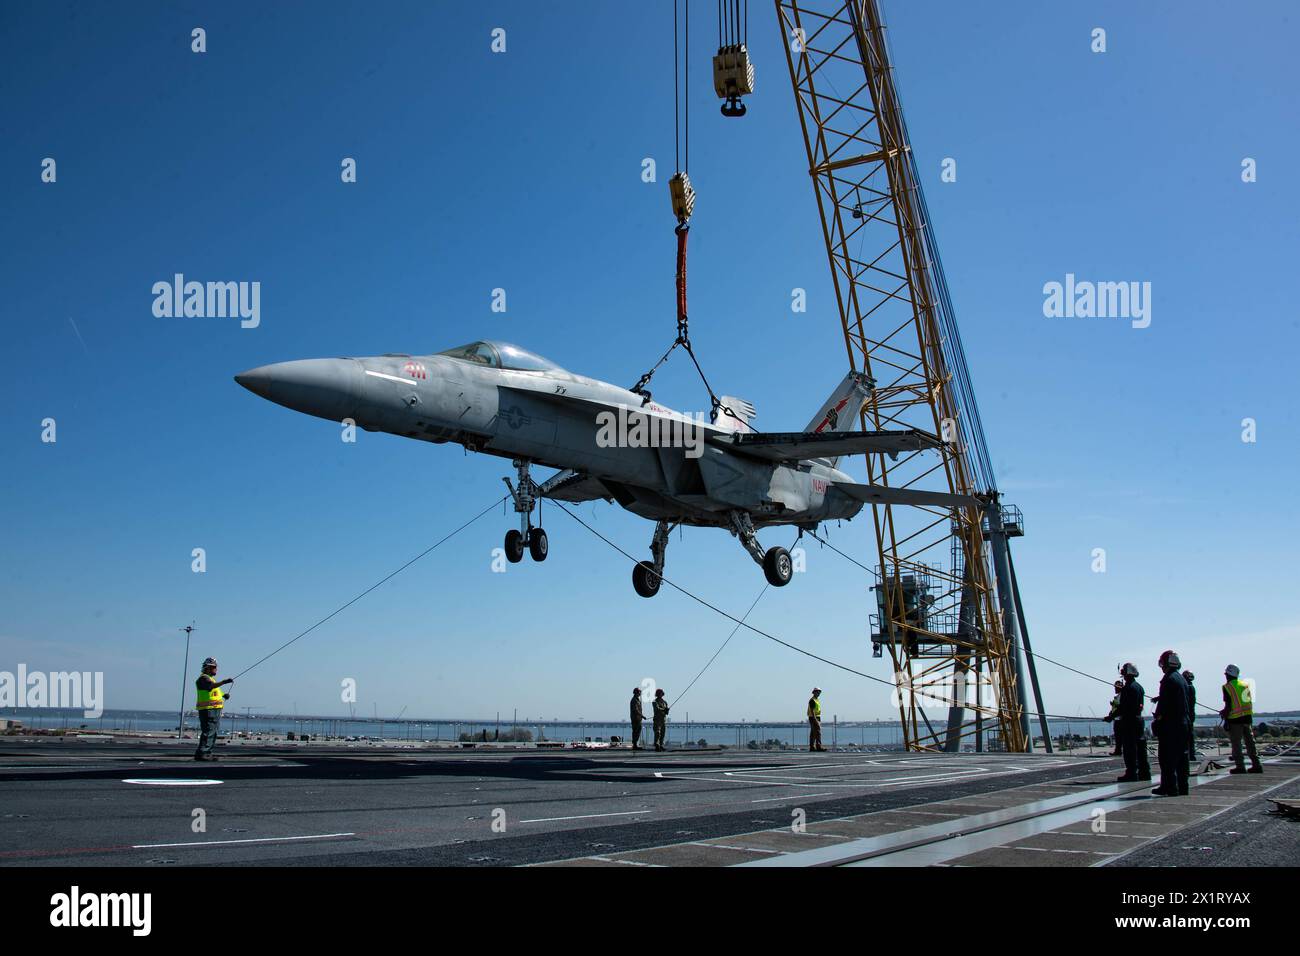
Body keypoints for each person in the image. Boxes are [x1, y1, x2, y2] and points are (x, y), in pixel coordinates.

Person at [1151, 650, 1191, 796]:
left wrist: (1157, 720)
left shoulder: (1167, 679)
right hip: (1184, 723)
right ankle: (1183, 787)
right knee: (1182, 757)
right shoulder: (1181, 679)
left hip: (1171, 725)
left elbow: (1164, 706)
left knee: (1167, 758)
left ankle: (1169, 787)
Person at [1220, 664, 1262, 775]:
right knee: (1250, 743)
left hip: (1235, 720)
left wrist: (1224, 714)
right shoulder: (1245, 685)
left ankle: (1240, 766)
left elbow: (1228, 705)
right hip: (1247, 718)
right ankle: (1256, 764)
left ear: (1228, 675)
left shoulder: (1227, 687)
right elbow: (1247, 702)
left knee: (1236, 744)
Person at [1115, 663, 1151, 782]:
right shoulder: (1139, 687)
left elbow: (1122, 707)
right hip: (1139, 720)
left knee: (1129, 748)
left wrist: (1111, 716)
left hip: (1129, 721)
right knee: (1141, 748)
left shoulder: (1128, 688)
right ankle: (1145, 773)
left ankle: (1131, 773)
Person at [194, 657, 233, 762]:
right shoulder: (203, 679)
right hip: (208, 710)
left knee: (212, 732)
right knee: (209, 731)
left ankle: (206, 752)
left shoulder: (210, 680)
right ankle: (203, 752)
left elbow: (214, 693)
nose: (216, 669)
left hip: (213, 710)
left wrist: (224, 695)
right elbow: (210, 687)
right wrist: (224, 682)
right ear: (207, 668)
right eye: (214, 667)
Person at [1103, 680, 1124, 755]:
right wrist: (1111, 714)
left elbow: (1120, 708)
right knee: (1118, 736)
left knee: (1120, 736)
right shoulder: (1118, 696)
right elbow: (1115, 708)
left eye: (1116, 687)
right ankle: (1118, 750)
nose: (1115, 689)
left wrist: (1110, 716)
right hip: (1117, 718)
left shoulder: (1122, 696)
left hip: (1121, 719)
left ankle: (1119, 751)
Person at [807, 687, 825, 752]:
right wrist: (815, 719)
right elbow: (812, 711)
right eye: (817, 691)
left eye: (819, 691)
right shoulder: (813, 700)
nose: (818, 693)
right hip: (814, 717)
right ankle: (818, 746)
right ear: (814, 692)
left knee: (813, 733)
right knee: (818, 732)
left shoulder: (816, 700)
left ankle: (812, 747)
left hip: (816, 717)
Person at [629, 687, 645, 751]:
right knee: (635, 731)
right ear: (636, 693)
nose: (640, 693)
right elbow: (636, 710)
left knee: (638, 731)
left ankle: (635, 744)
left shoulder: (637, 700)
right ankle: (634, 745)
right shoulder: (634, 700)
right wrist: (642, 716)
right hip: (635, 718)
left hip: (638, 718)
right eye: (639, 692)